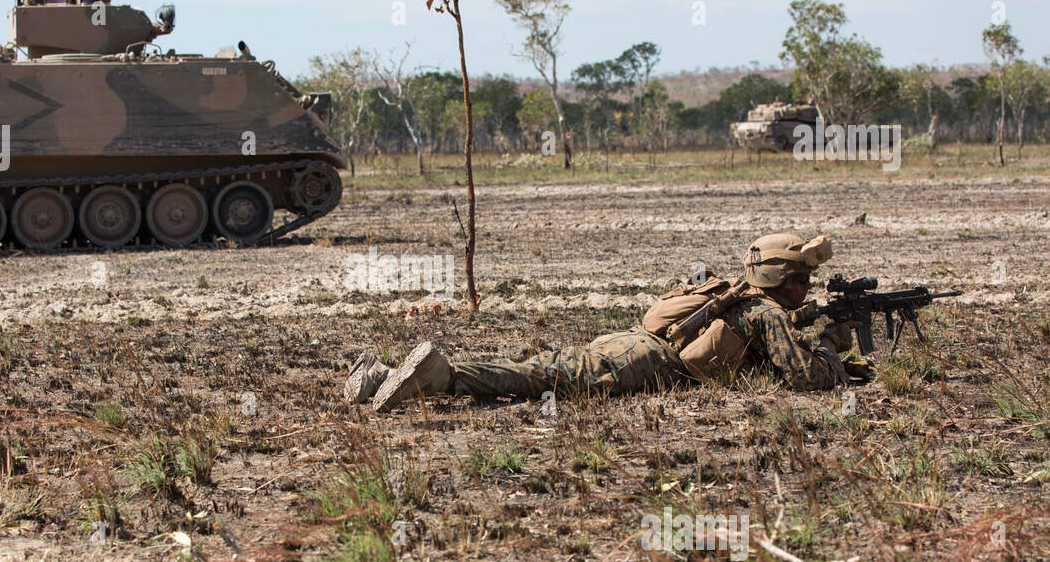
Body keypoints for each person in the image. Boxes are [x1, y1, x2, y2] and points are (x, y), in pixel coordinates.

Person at [347, 232, 859, 413]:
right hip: (644, 363)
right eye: (802, 279)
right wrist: (832, 345)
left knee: (543, 366)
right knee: (542, 377)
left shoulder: (736, 293)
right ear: (783, 278)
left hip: (632, 341)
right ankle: (444, 377)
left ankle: (382, 376)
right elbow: (807, 380)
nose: (807, 287)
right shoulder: (765, 313)